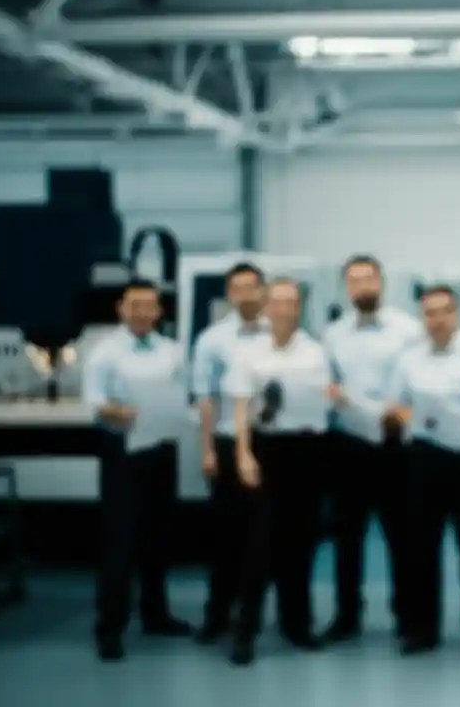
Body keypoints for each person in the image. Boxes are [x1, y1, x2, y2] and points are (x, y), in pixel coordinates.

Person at [81, 278, 194, 661]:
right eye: (135, 305)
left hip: (162, 447)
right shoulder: (105, 353)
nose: (143, 312)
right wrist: (122, 411)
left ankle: (156, 614)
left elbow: (184, 394)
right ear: (121, 309)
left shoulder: (173, 351)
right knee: (120, 540)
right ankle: (110, 628)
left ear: (160, 311)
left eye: (150, 306)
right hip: (123, 450)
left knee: (159, 536)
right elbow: (95, 404)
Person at [226, 278, 332, 666]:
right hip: (267, 450)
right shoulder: (249, 353)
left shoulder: (316, 353)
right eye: (278, 301)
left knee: (301, 542)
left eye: (291, 302)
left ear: (299, 307)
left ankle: (297, 624)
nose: (284, 308)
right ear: (267, 306)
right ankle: (245, 632)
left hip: (308, 451)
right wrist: (243, 453)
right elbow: (241, 405)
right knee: (260, 544)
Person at [387, 284, 460, 656]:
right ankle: (422, 628)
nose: (437, 319)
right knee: (421, 545)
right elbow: (396, 406)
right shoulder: (409, 358)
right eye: (430, 313)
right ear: (423, 318)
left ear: (456, 314)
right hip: (424, 456)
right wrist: (416, 416)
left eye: (444, 311)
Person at [321, 255, 422, 642]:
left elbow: (415, 383)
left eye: (368, 278)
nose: (362, 286)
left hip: (394, 446)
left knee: (402, 534)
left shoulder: (407, 331)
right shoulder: (333, 334)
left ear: (381, 282)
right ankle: (347, 615)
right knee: (348, 535)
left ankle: (407, 615)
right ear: (346, 287)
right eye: (354, 280)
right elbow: (329, 384)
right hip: (347, 446)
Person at [189, 261, 269, 644]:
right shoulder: (212, 340)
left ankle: (257, 618)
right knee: (225, 535)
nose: (245, 294)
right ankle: (217, 614)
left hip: (268, 444)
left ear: (263, 290)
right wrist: (206, 450)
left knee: (264, 536)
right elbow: (205, 399)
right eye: (237, 288)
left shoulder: (279, 336)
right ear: (229, 294)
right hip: (224, 442)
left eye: (252, 286)